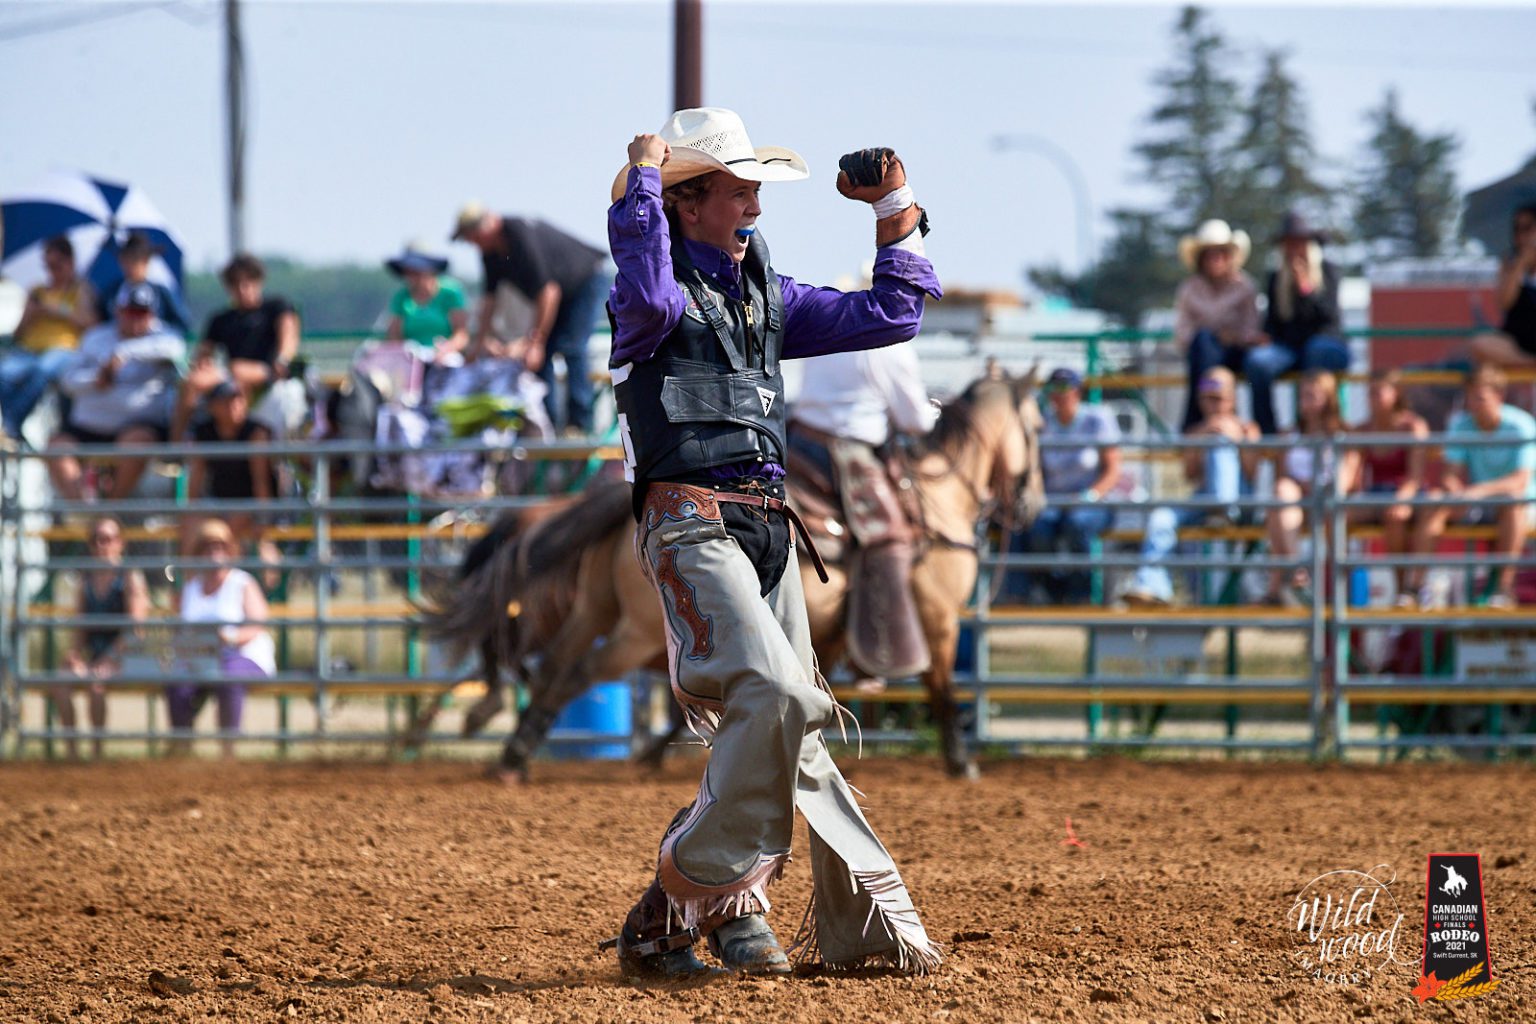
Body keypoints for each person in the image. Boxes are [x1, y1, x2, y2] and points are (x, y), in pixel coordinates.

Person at [604, 108, 941, 978]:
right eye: (737, 189)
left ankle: (737, 912)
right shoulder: (652, 298)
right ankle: (680, 897)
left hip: (766, 526)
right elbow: (650, 295)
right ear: (686, 203)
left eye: (756, 188)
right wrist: (642, 179)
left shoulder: (768, 295)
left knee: (793, 720)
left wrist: (894, 206)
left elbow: (893, 315)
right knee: (778, 693)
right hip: (691, 519)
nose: (755, 202)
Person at [788, 342, 938, 683]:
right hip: (849, 452)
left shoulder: (827, 328)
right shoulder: (888, 344)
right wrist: (933, 412)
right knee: (890, 536)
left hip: (798, 442)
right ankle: (875, 655)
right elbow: (914, 420)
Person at [452, 203, 607, 435]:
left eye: (472, 237)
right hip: (557, 295)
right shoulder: (491, 254)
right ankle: (547, 425)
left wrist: (535, 341)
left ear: (487, 226)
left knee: (571, 347)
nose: (472, 244)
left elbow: (549, 291)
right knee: (539, 356)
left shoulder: (518, 236)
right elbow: (490, 299)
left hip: (585, 283)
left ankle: (579, 425)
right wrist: (480, 341)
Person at [1122, 367, 1260, 607]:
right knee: (1161, 518)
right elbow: (1190, 475)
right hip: (1204, 499)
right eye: (1207, 397)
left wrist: (1234, 439)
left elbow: (1251, 474)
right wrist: (1202, 437)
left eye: (1217, 397)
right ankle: (1152, 585)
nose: (1212, 404)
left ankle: (1223, 510)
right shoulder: (1196, 431)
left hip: (1240, 501)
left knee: (1220, 443)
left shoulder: (1247, 428)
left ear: (1232, 398)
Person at [1411, 366, 1536, 609]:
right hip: (1479, 502)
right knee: (1434, 502)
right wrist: (1456, 491)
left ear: (1499, 396)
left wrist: (1476, 492)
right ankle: (1414, 588)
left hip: (1521, 504)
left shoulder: (1521, 425)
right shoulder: (1462, 424)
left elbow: (1520, 481)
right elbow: (1450, 474)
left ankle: (1503, 590)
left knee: (1513, 503)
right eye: (1469, 398)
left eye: (1480, 398)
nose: (1473, 404)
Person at [49, 283, 185, 501]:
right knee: (57, 448)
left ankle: (112, 507)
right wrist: (97, 379)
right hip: (87, 427)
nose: (135, 319)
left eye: (142, 313)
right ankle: (85, 511)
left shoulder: (163, 336)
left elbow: (176, 348)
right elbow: (67, 380)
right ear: (118, 311)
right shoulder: (95, 337)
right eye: (130, 312)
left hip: (136, 428)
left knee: (138, 443)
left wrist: (123, 353)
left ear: (152, 314)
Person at [169, 519, 275, 758]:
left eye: (219, 546)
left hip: (244, 656)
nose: (214, 552)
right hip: (202, 658)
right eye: (207, 547)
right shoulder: (192, 587)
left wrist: (229, 638)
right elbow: (182, 632)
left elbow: (258, 624)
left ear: (230, 550)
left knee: (228, 676)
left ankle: (228, 752)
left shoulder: (242, 582)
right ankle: (181, 751)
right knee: (178, 681)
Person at [1018, 367, 1121, 603]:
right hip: (1053, 501)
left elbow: (1113, 471)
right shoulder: (1043, 421)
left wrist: (1089, 496)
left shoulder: (1097, 419)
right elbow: (1035, 469)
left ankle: (1083, 595)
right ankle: (1052, 591)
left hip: (1094, 500)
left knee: (1078, 524)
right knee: (1037, 529)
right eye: (1053, 388)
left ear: (1078, 391)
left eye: (1065, 387)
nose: (1059, 393)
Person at [54, 516, 149, 759]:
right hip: (97, 657)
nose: (101, 545)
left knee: (95, 683)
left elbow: (136, 630)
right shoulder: (86, 580)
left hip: (126, 657)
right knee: (62, 679)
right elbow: (80, 628)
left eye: (108, 539)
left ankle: (96, 754)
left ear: (120, 542)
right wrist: (75, 655)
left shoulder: (129, 577)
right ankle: (72, 754)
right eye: (96, 539)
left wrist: (109, 658)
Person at [1263, 369, 1358, 607]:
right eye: (1303, 395)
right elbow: (1282, 476)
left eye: (1312, 395)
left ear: (1328, 398)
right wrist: (1305, 487)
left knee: (1281, 510)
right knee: (1280, 494)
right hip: (1298, 503)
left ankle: (1279, 588)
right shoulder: (1289, 434)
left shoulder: (1344, 434)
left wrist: (1317, 489)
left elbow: (1346, 479)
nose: (1306, 401)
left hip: (1330, 501)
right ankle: (1296, 570)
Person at [1, 235, 97, 440]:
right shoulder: (37, 291)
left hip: (64, 351)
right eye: (48, 266)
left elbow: (91, 324)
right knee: (4, 373)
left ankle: (10, 426)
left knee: (42, 370)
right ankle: (11, 427)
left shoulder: (81, 290)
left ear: (70, 263)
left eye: (57, 265)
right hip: (29, 351)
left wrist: (59, 310)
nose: (51, 271)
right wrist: (31, 314)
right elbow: (18, 333)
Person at [1350, 369, 1429, 604]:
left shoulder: (1413, 426)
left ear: (1396, 393)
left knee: (1395, 516)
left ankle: (1403, 589)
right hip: (1375, 495)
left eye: (1378, 391)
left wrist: (1401, 499)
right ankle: (1335, 590)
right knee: (1335, 516)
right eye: (1370, 392)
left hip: (1407, 494)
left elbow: (1415, 476)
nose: (1372, 397)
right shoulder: (1362, 430)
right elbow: (1350, 473)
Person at [183, 381, 280, 566]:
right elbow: (196, 478)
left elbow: (261, 481)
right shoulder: (204, 432)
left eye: (238, 400)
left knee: (230, 525)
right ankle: (190, 579)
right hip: (218, 501)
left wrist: (264, 520)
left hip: (251, 504)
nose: (234, 405)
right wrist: (190, 513)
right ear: (212, 407)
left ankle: (226, 574)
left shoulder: (256, 432)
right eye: (226, 401)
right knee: (192, 524)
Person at [1260, 210, 1351, 388]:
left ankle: (1314, 406)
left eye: (1299, 243)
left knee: (1316, 350)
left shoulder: (1328, 271)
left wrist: (1306, 289)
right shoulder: (1276, 278)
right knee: (1258, 362)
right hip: (1290, 348)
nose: (1294, 250)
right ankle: (1265, 409)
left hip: (1327, 343)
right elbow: (1272, 321)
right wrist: (1265, 337)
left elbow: (1329, 315)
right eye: (1289, 244)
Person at [1468, 203, 1536, 368]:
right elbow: (1505, 303)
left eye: (1528, 228)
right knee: (1480, 344)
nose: (1522, 236)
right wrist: (1520, 265)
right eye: (1517, 229)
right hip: (1518, 346)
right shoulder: (1509, 264)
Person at [384, 241, 470, 358]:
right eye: (408, 271)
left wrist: (446, 349)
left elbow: (461, 334)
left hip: (444, 357)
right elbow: (394, 334)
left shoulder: (451, 293)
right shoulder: (401, 297)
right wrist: (405, 352)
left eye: (416, 271)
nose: (411, 276)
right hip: (411, 359)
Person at [95, 232, 191, 337]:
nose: (130, 266)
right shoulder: (112, 292)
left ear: (146, 262)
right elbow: (100, 319)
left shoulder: (160, 293)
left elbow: (182, 323)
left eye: (135, 261)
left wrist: (153, 325)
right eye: (126, 261)